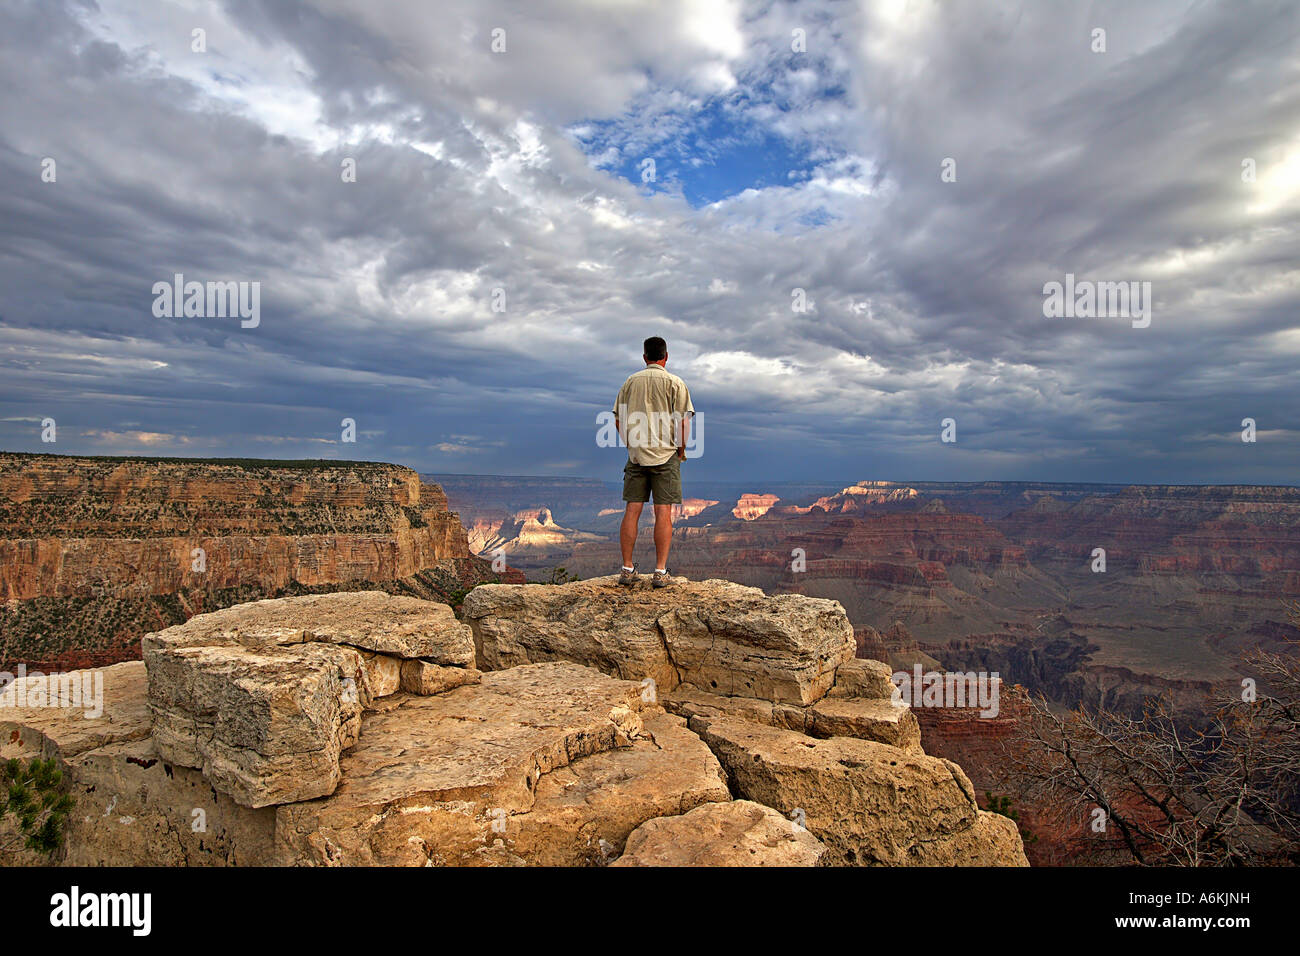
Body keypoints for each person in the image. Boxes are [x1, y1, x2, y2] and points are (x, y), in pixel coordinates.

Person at [612, 336, 695, 588]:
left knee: (632, 510)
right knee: (663, 512)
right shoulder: (675, 383)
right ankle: (659, 572)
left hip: (636, 455)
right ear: (666, 356)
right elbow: (683, 422)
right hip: (666, 454)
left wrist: (630, 444)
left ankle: (627, 570)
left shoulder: (630, 381)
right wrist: (680, 450)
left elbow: (617, 419)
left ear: (645, 357)